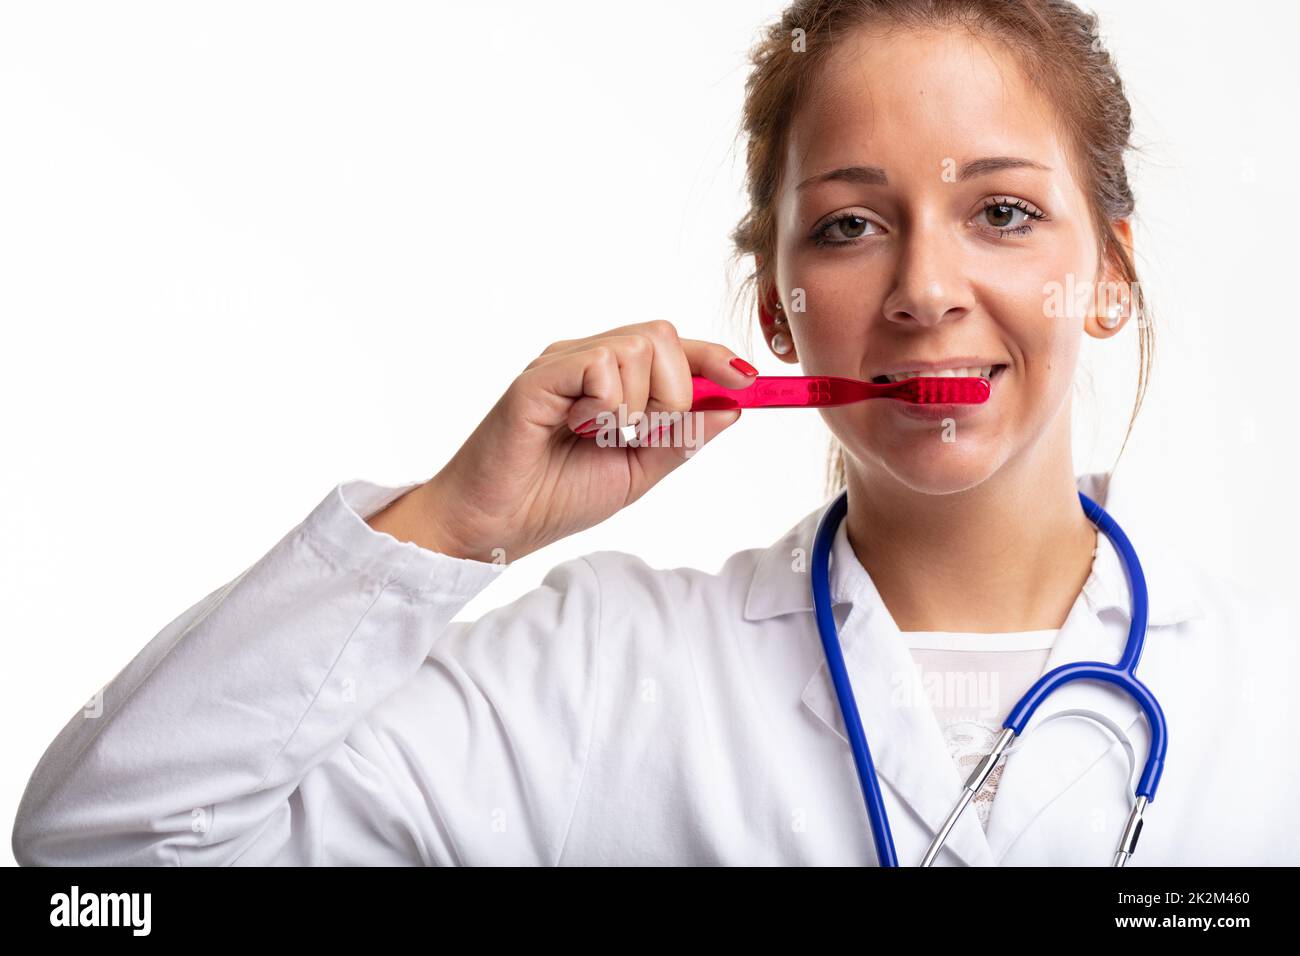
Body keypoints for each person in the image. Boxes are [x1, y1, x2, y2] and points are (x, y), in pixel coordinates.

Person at [12, 0, 1297, 866]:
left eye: (1002, 213)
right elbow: (103, 854)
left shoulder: (1269, 691)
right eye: (848, 226)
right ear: (777, 308)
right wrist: (459, 521)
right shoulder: (599, 670)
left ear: (1109, 274)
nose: (923, 289)